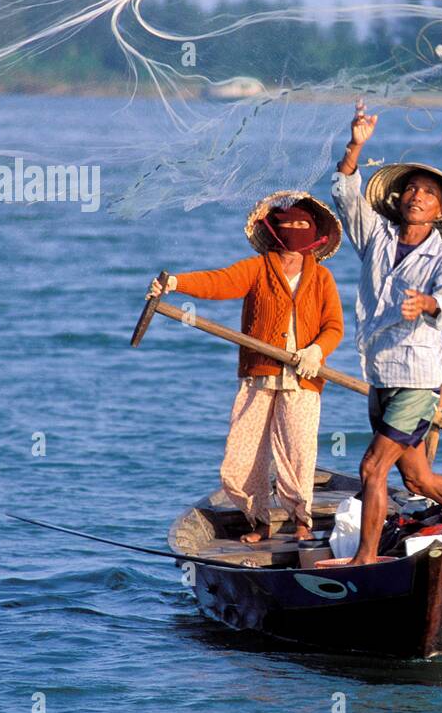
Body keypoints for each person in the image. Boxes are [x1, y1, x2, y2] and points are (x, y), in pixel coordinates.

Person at [323, 99, 442, 566]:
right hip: (380, 370)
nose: (416, 197)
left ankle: (365, 559)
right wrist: (355, 144)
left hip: (420, 377)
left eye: (428, 194)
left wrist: (427, 302)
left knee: (371, 467)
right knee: (417, 480)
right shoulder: (376, 236)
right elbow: (345, 194)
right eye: (411, 189)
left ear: (440, 211)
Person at [146, 192, 344, 543]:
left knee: (298, 450)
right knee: (245, 452)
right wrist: (176, 283)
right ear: (273, 229)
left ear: (315, 233)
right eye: (288, 224)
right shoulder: (258, 268)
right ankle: (259, 521)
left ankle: (301, 520)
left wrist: (316, 350)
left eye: (303, 225)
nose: (295, 230)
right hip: (259, 375)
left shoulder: (322, 277)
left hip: (303, 378)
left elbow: (334, 327)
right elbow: (219, 282)